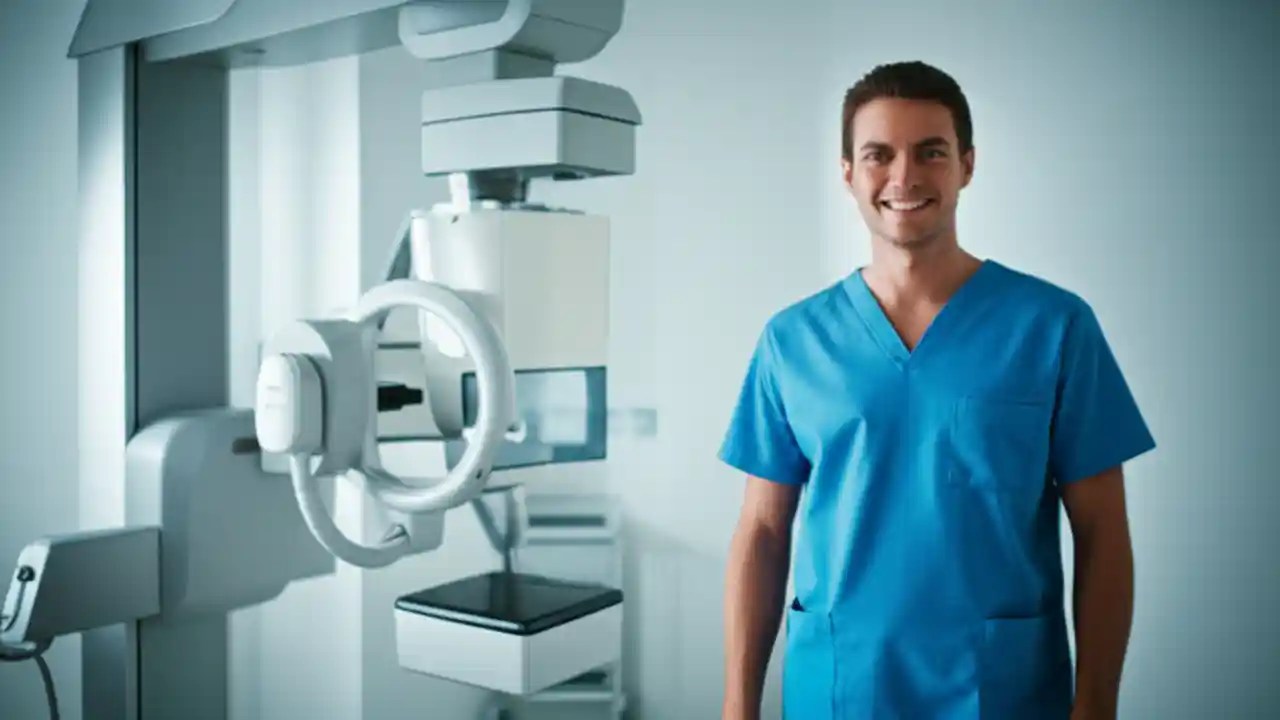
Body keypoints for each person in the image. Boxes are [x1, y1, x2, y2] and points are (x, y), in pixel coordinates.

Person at [718, 61, 1156, 720]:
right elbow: (761, 531)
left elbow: (1102, 531)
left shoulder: (1053, 327)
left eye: (930, 152)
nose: (904, 177)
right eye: (879, 155)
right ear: (848, 173)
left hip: (1003, 688)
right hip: (839, 685)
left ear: (966, 166)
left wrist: (1096, 704)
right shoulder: (793, 340)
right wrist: (737, 705)